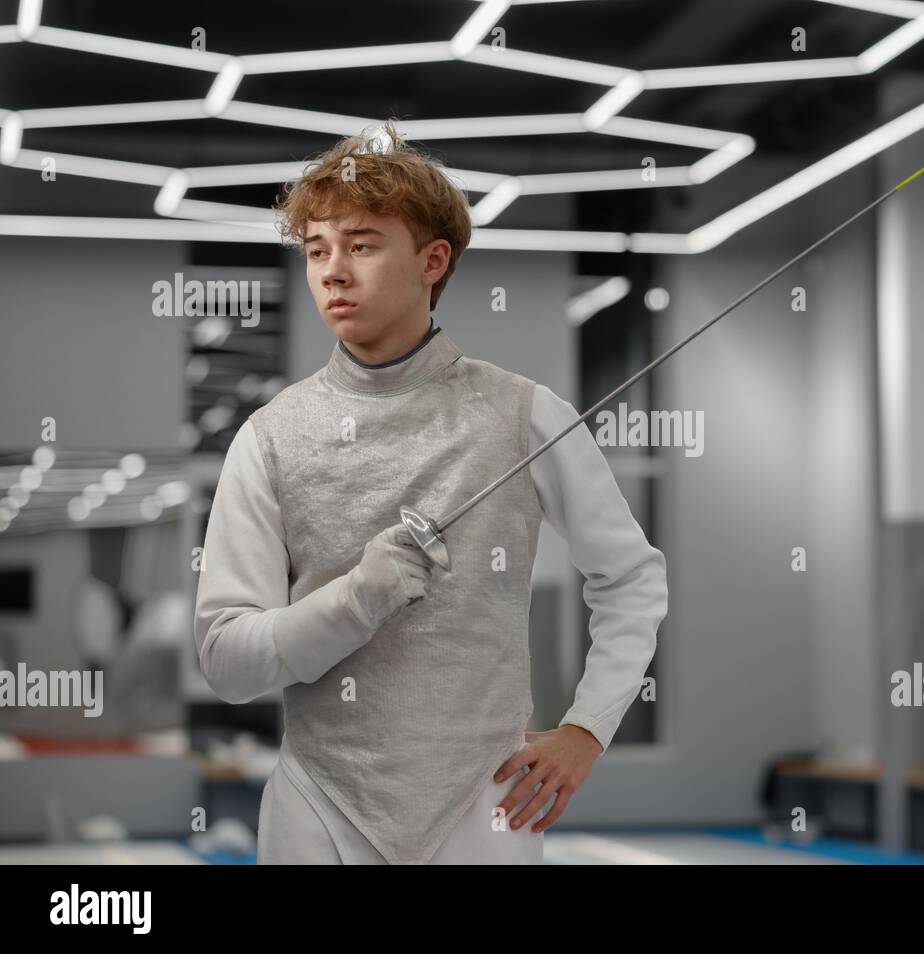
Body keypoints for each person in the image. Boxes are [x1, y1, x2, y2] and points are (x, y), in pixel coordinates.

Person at [192, 120, 668, 864]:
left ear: (432, 259)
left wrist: (587, 729)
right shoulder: (270, 437)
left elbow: (632, 578)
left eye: (362, 244)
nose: (332, 271)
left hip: (485, 802)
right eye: (317, 250)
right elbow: (226, 661)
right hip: (317, 807)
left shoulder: (526, 414)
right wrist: (354, 601)